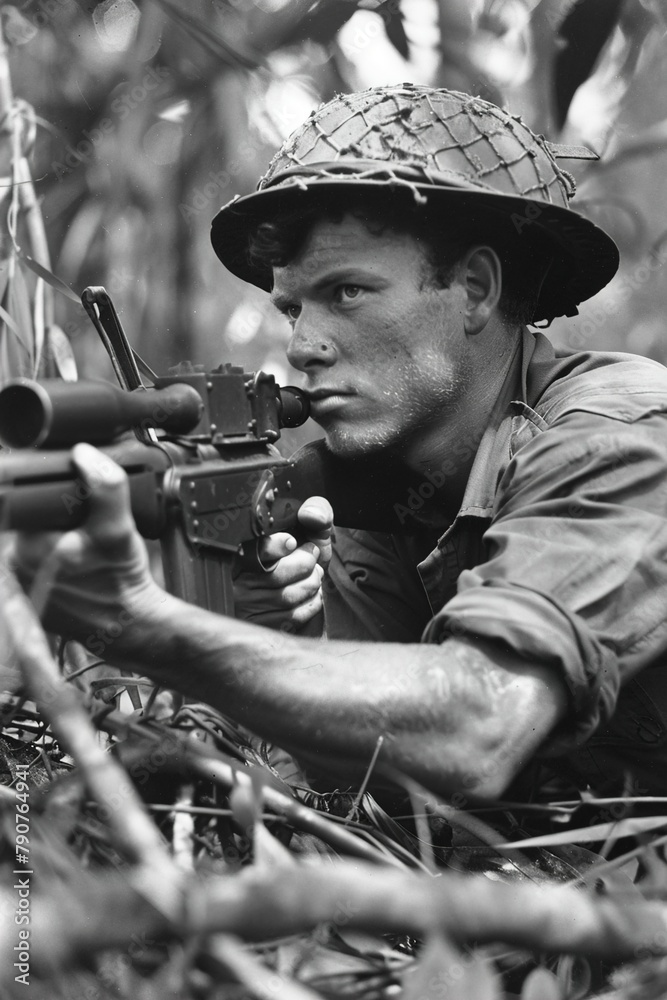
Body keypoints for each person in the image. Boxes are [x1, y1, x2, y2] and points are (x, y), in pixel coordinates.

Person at [16, 84, 667, 803]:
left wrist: (148, 627)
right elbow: (373, 801)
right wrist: (274, 636)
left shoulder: (615, 436)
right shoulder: (365, 493)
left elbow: (477, 725)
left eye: (347, 293)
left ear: (476, 290)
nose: (302, 347)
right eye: (292, 307)